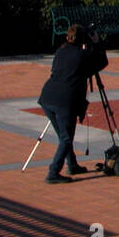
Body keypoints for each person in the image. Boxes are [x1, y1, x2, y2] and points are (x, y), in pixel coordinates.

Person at [38, 24, 109, 184]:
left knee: (64, 136)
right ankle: (53, 172)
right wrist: (96, 43)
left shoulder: (61, 51)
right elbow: (102, 62)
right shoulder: (83, 55)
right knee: (66, 139)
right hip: (65, 100)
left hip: (47, 97)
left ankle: (72, 164)